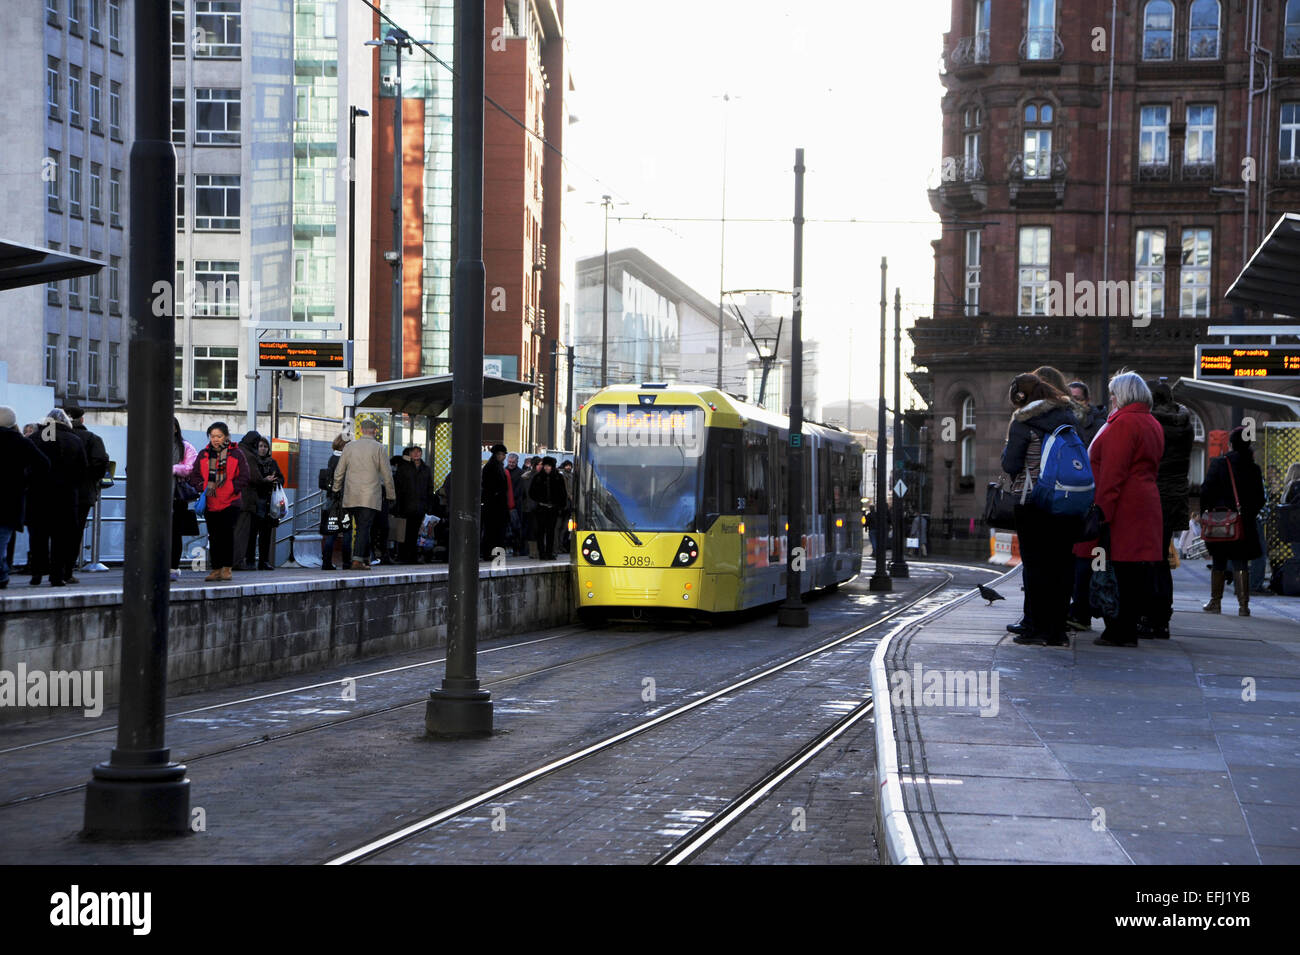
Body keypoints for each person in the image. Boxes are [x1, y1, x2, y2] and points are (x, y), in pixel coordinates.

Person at [1001, 373, 1079, 647]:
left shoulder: (1023, 422)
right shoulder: (1068, 417)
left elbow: (1011, 465)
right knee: (1061, 566)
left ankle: (1035, 627)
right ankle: (1057, 631)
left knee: (1036, 568)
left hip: (1033, 502)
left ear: (1020, 397)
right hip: (1066, 501)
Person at [1089, 372, 1165, 646]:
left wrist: (1101, 510)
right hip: (1145, 501)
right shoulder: (1151, 422)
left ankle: (1119, 629)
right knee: (1134, 571)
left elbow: (1113, 472)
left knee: (1118, 571)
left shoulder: (1123, 424)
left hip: (1123, 506)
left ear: (1122, 394)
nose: (1110, 398)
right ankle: (1127, 628)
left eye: (1113, 393)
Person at [1144, 380, 1194, 638]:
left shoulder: (1151, 423)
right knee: (1161, 559)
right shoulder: (1184, 423)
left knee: (1147, 559)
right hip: (1175, 497)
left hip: (1152, 496)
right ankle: (1162, 619)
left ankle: (1148, 616)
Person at [1200, 425, 1266, 617]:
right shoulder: (1253, 468)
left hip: (1220, 521)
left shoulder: (1220, 464)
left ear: (1231, 444)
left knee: (1219, 561)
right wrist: (1248, 514)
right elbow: (1260, 498)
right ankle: (1244, 606)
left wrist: (1208, 512)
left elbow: (1206, 490)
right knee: (1241, 562)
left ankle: (1215, 602)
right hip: (1244, 523)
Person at [29, 409, 88, 587]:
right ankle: (56, 576)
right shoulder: (74, 440)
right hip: (66, 496)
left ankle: (37, 573)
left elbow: (29, 465)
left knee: (38, 536)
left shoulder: (38, 437)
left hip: (39, 495)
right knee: (61, 538)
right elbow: (82, 469)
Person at [186, 421, 250, 581]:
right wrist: (202, 486)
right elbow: (194, 475)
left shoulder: (236, 454)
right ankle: (216, 569)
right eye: (213, 436)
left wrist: (232, 488)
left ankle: (227, 568)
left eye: (219, 436)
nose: (215, 439)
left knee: (227, 534)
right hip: (211, 501)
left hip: (231, 502)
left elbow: (245, 475)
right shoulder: (203, 454)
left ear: (226, 436)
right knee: (213, 536)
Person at [333, 418, 396, 570]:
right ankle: (357, 560)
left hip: (351, 494)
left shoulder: (349, 447)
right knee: (363, 527)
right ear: (375, 431)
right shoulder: (379, 448)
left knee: (357, 527)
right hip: (370, 495)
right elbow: (387, 474)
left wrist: (336, 488)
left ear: (361, 430)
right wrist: (391, 495)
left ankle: (365, 557)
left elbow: (339, 471)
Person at [0, 406, 50, 589]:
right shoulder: (21, 442)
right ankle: (3, 574)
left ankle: (3, 573)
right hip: (10, 498)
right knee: (4, 538)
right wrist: (24, 480)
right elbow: (44, 464)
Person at [63, 406, 110, 581]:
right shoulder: (92, 438)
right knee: (75, 532)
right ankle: (67, 570)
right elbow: (100, 462)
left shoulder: (51, 436)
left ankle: (45, 568)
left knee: (55, 530)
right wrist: (89, 478)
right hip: (83, 492)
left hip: (55, 491)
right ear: (82, 420)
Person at [395, 445, 436, 563]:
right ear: (410, 454)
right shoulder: (404, 468)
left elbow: (429, 488)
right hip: (406, 505)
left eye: (419, 452)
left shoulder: (426, 469)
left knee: (417, 533)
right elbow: (399, 487)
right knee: (405, 532)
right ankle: (404, 556)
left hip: (420, 506)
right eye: (414, 452)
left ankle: (414, 556)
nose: (417, 454)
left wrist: (429, 506)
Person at [249, 437, 285, 570]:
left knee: (266, 533)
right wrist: (264, 480)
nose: (263, 449)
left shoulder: (272, 462)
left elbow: (281, 477)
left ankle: (264, 561)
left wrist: (276, 481)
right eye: (260, 446)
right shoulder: (252, 462)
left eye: (265, 446)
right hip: (256, 501)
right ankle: (250, 561)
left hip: (269, 502)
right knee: (252, 533)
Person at [232, 429, 265, 570]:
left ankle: (229, 561)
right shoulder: (249, 455)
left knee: (233, 531)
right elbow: (255, 477)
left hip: (232, 497)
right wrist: (265, 479)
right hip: (246, 499)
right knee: (241, 532)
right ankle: (237, 561)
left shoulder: (236, 450)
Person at [170, 418, 199, 581]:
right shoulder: (153, 443)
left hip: (177, 496)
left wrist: (173, 468)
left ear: (176, 429)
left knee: (175, 533)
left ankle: (173, 567)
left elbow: (190, 468)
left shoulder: (186, 446)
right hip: (156, 495)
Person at [319, 435, 351, 570]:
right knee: (347, 531)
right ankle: (346, 562)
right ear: (344, 445)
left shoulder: (332, 458)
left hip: (331, 499)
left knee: (331, 531)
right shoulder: (345, 459)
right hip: (345, 499)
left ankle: (326, 562)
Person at [530, 456, 568, 560]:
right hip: (541, 508)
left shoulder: (558, 478)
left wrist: (560, 506)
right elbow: (531, 493)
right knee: (541, 531)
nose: (547, 468)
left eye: (549, 466)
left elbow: (563, 494)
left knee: (551, 531)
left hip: (553, 509)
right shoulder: (538, 477)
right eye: (545, 466)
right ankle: (542, 553)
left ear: (552, 467)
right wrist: (540, 500)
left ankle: (549, 552)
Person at [481, 443, 511, 560]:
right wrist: (497, 494)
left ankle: (493, 552)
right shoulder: (493, 467)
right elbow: (490, 486)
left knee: (494, 530)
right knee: (493, 530)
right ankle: (492, 553)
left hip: (495, 503)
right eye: (501, 454)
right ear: (497, 455)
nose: (503, 457)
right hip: (495, 504)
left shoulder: (495, 466)